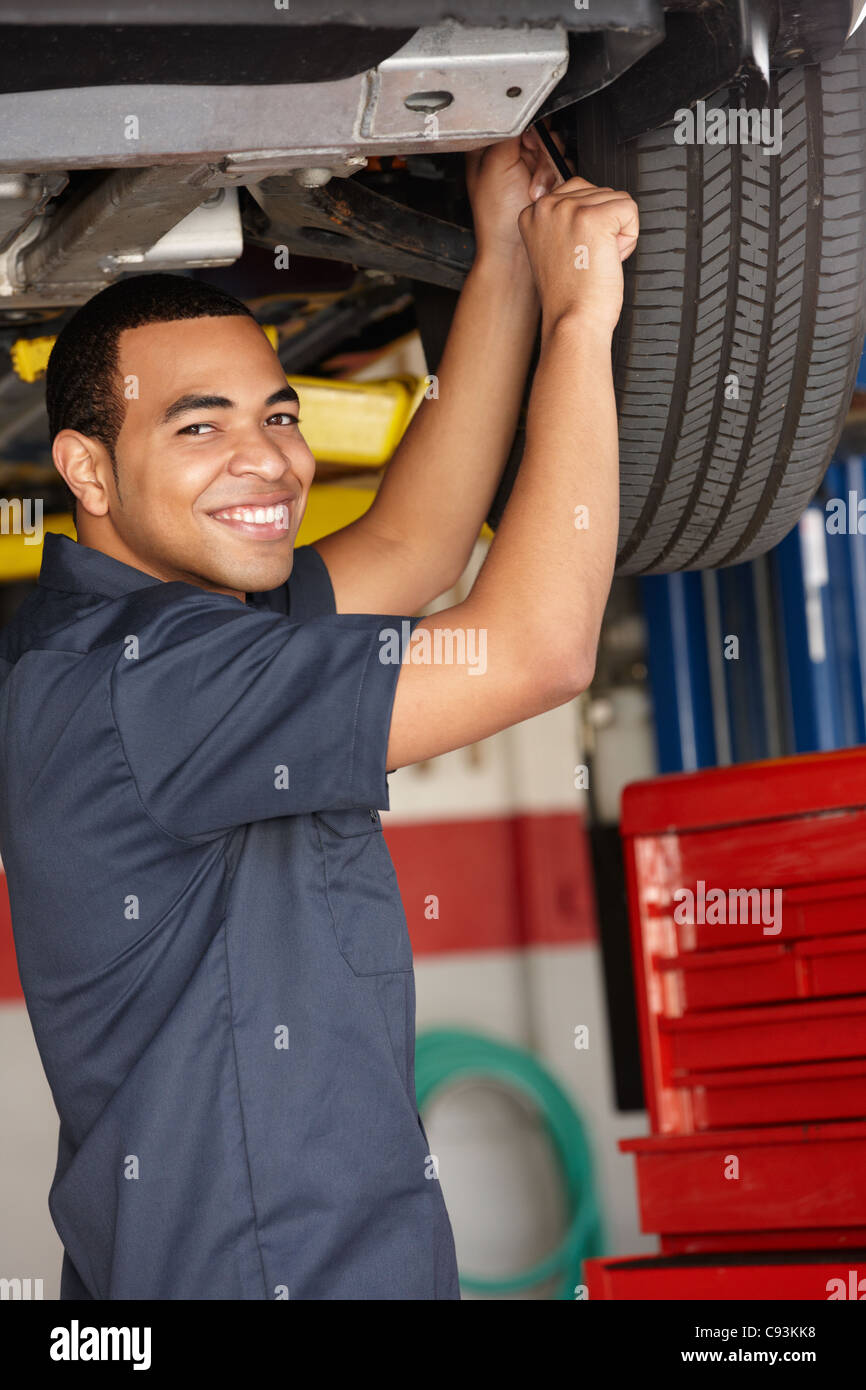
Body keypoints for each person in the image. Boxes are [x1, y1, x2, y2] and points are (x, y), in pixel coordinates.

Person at [0, 130, 638, 1300]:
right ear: (88, 473)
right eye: (199, 427)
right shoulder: (157, 685)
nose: (268, 463)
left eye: (278, 416)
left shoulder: (159, 628)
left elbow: (416, 543)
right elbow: (538, 651)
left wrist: (502, 254)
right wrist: (579, 322)